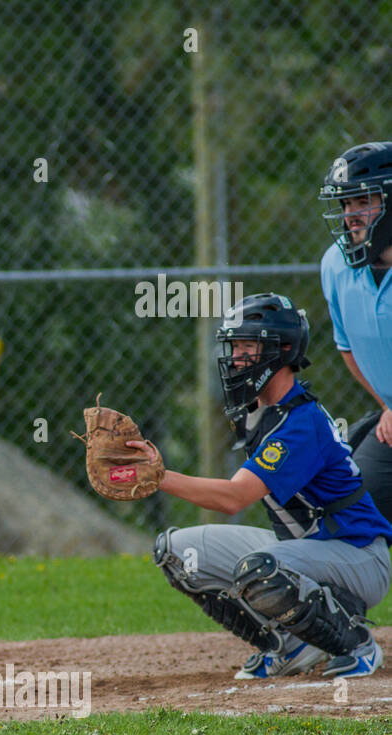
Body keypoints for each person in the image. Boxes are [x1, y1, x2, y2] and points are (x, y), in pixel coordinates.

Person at [143, 293, 390, 679]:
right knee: (177, 553)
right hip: (303, 551)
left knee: (259, 569)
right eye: (234, 347)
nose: (236, 357)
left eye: (247, 346)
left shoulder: (300, 421)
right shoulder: (257, 412)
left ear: (283, 350)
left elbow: (234, 497)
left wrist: (158, 477)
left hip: (357, 557)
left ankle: (355, 643)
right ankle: (289, 645)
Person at [318, 141, 392, 520]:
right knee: (348, 514)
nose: (350, 215)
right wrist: (387, 406)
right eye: (345, 204)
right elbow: (348, 349)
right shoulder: (336, 265)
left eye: (362, 201)